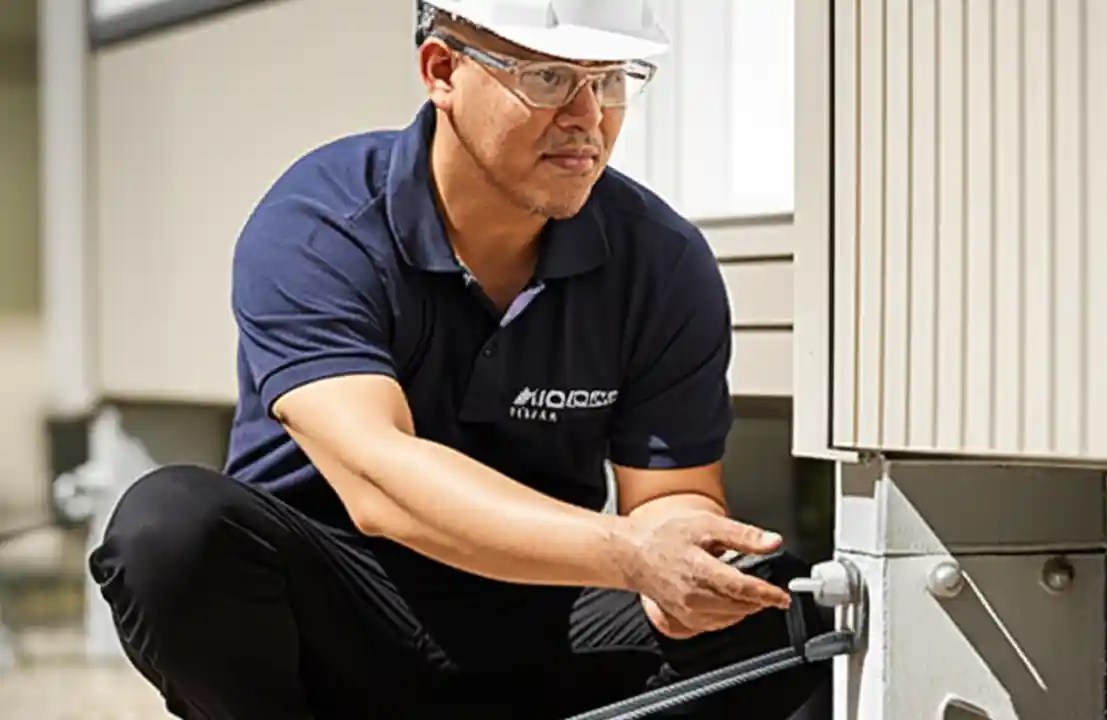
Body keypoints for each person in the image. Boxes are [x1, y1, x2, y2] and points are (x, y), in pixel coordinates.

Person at [88, 1, 828, 717]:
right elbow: (383, 480)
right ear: (441, 70)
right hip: (337, 619)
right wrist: (629, 552)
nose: (587, 117)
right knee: (170, 528)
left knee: (787, 614)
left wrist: (683, 577)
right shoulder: (321, 223)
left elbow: (671, 499)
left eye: (610, 79)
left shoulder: (659, 260)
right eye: (548, 78)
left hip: (540, 611)